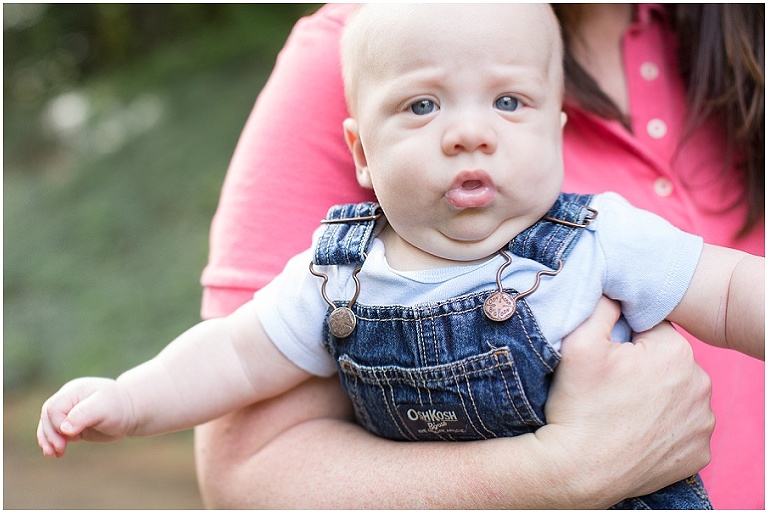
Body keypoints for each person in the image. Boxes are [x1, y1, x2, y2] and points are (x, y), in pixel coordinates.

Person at [37, 4, 762, 509]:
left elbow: (730, 293)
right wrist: (131, 397)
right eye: (424, 107)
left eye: (509, 103)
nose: (469, 133)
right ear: (359, 150)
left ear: (556, 131)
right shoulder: (338, 274)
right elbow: (233, 358)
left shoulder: (598, 238)